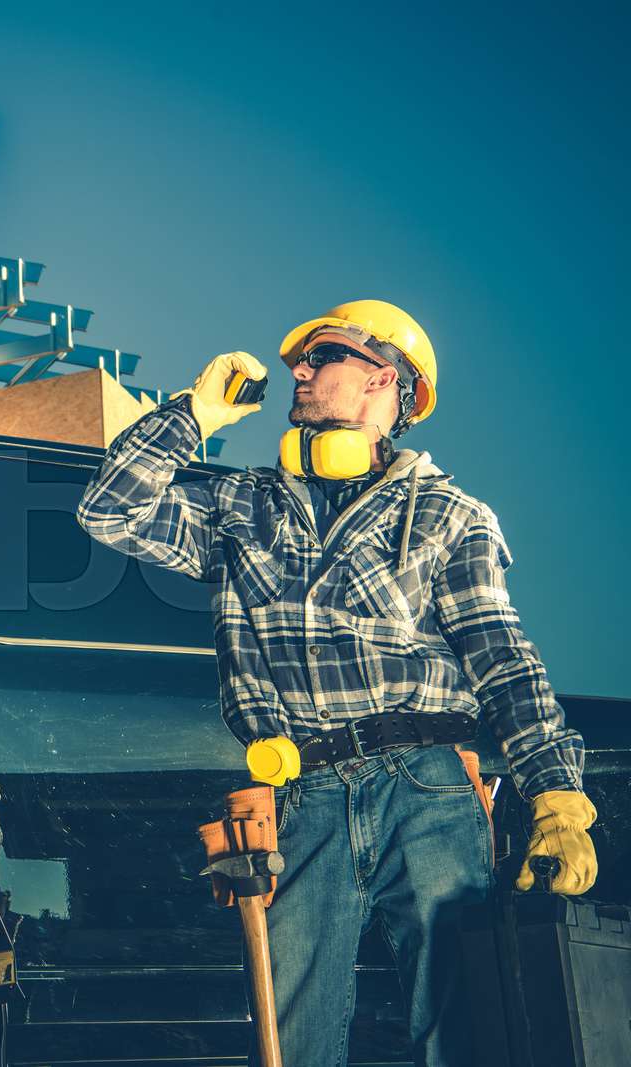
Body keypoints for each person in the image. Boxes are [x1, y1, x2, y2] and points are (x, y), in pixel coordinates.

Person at [75, 300, 598, 1066]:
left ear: (382, 377)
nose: (299, 369)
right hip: (303, 791)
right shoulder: (242, 506)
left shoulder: (448, 515)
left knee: (460, 1028)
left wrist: (555, 795)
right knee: (291, 1036)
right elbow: (108, 511)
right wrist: (189, 416)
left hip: (429, 788)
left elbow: (503, 659)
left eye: (322, 356)